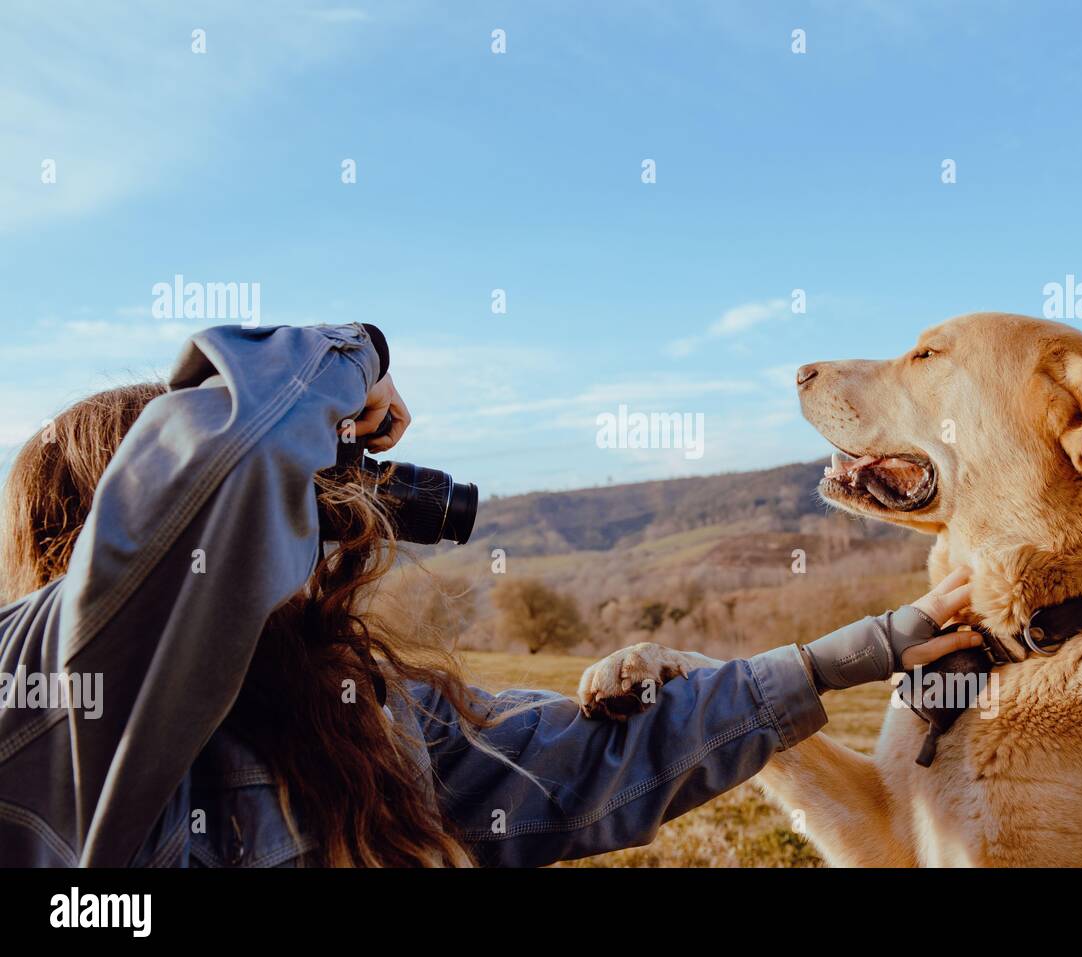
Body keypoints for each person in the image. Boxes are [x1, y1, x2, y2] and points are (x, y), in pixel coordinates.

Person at [0, 322, 978, 867]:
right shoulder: (46, 697)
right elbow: (206, 502)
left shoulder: (340, 714)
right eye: (283, 500)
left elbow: (589, 760)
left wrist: (863, 650)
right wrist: (349, 363)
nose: (312, 522)